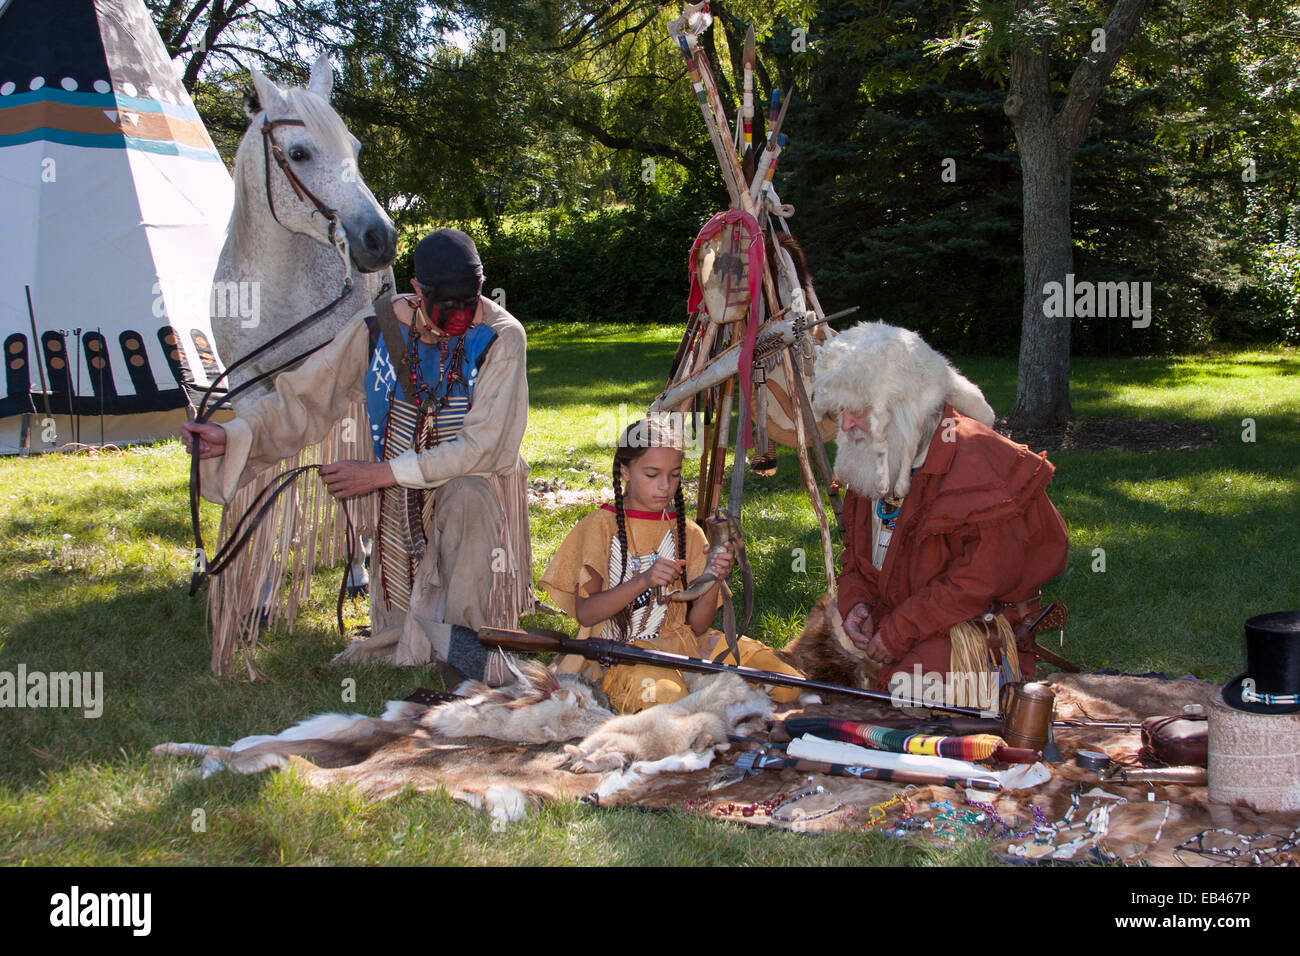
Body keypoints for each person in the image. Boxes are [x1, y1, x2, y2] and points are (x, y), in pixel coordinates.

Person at [182, 228, 532, 680]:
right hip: (394, 502)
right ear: (419, 291)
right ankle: (411, 629)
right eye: (447, 302)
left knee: (468, 495)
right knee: (400, 632)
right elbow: (305, 397)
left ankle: (462, 646)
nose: (461, 314)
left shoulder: (502, 339)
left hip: (463, 486)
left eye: (471, 299)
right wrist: (233, 436)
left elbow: (481, 450)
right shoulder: (377, 328)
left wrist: (381, 473)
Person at [809, 321, 1069, 707]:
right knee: (811, 668)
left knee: (908, 690)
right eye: (841, 411)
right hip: (902, 617)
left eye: (858, 410)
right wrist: (855, 603)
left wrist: (898, 631)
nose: (845, 425)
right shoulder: (873, 455)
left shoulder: (978, 461)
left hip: (970, 628)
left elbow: (976, 582)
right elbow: (857, 558)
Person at [539, 416, 806, 713]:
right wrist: (642, 581)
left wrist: (713, 578)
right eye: (652, 475)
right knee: (666, 698)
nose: (665, 486)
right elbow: (587, 614)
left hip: (683, 645)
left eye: (675, 475)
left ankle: (701, 691)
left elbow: (699, 625)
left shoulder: (688, 531)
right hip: (620, 651)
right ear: (625, 471)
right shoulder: (599, 527)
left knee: (786, 682)